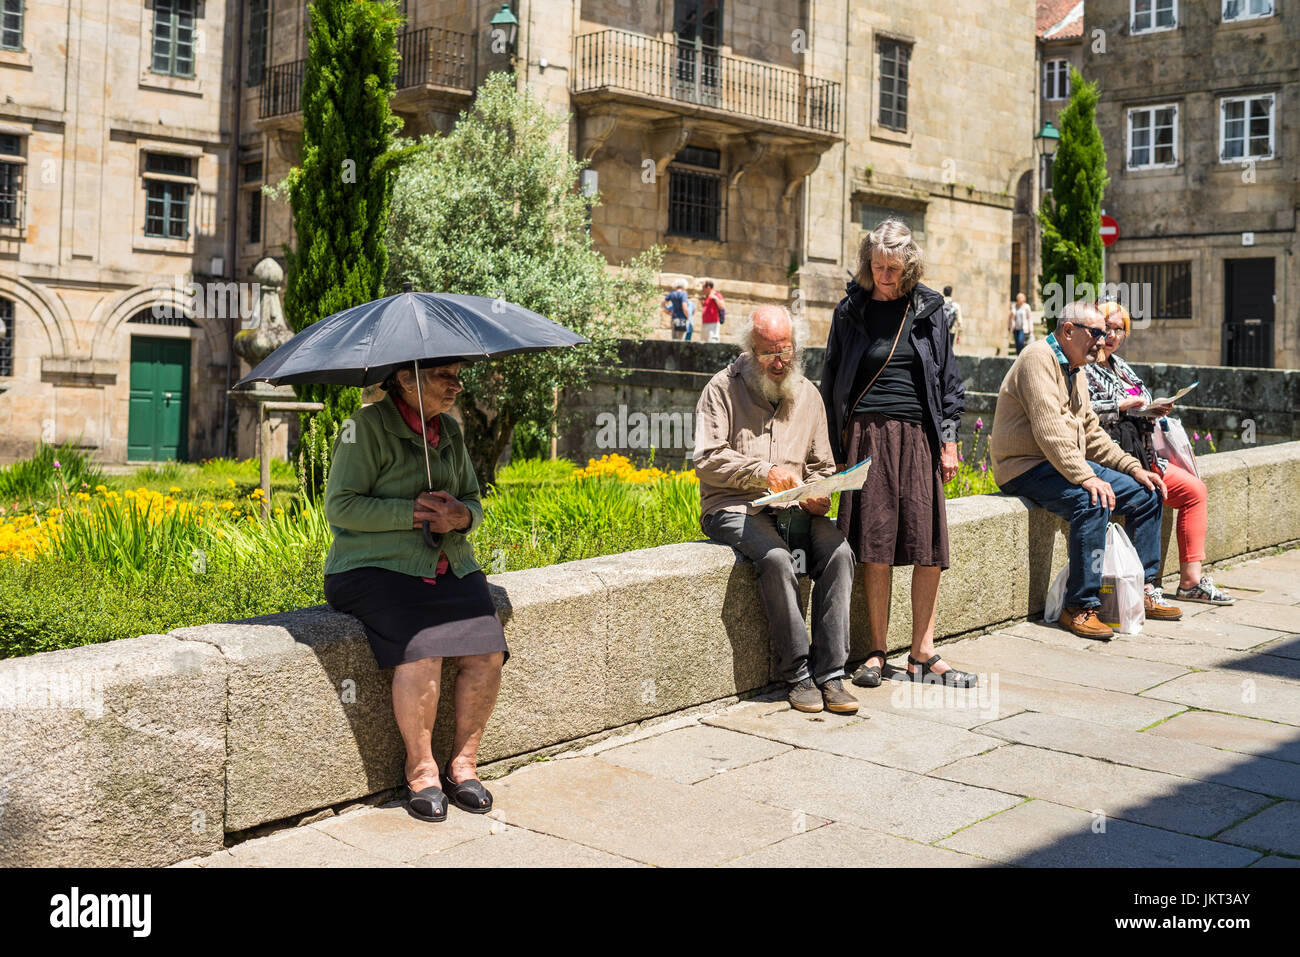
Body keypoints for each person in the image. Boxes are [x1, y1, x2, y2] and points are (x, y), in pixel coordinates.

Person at [322, 361, 507, 823]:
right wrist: (413, 513)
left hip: (447, 566)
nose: (456, 384)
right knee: (421, 651)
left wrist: (460, 517)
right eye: (443, 374)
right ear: (405, 379)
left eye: (458, 374)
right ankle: (421, 771)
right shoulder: (362, 429)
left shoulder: (449, 430)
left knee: (487, 651)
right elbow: (340, 508)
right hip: (373, 568)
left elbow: (473, 500)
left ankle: (464, 765)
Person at [820, 219, 975, 689]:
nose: (884, 275)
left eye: (892, 268)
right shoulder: (850, 311)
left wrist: (948, 440)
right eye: (877, 266)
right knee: (875, 546)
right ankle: (875, 651)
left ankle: (922, 652)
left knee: (927, 548)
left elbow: (950, 383)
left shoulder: (931, 311)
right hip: (867, 436)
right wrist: (832, 450)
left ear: (909, 267)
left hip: (919, 436)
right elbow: (830, 383)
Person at [694, 305, 859, 715]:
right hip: (734, 506)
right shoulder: (721, 389)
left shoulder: (809, 394)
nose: (779, 362)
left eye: (786, 351)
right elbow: (708, 458)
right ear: (750, 350)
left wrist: (820, 496)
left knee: (840, 553)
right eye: (769, 353)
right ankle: (798, 673)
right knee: (776, 559)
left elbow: (821, 467)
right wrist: (763, 472)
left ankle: (832, 673)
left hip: (796, 507)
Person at [991, 300, 1183, 639]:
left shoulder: (1074, 367)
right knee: (1092, 500)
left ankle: (1142, 589)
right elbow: (1050, 433)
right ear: (1068, 331)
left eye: (1106, 332)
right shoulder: (1038, 359)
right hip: (1025, 467)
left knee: (1146, 493)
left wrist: (1134, 468)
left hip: (1061, 463)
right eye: (1096, 332)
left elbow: (1091, 433)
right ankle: (1079, 607)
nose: (1103, 339)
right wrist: (1088, 477)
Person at [1088, 302, 1235, 605]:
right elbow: (1081, 412)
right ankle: (1140, 587)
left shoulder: (1122, 367)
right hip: (1112, 458)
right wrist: (1120, 406)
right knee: (1149, 493)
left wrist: (1153, 408)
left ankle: (1190, 582)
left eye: (1120, 329)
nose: (1113, 335)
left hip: (1146, 454)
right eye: (1108, 327)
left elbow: (1140, 404)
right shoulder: (1084, 365)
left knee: (1195, 491)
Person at [701, 279, 726, 343]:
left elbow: (722, 306)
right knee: (704, 342)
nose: (702, 289)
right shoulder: (706, 296)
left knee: (712, 342)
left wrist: (716, 299)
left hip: (713, 324)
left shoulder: (717, 295)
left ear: (708, 287)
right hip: (705, 323)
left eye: (703, 287)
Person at [942, 285, 963, 351]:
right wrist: (959, 335)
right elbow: (960, 321)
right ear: (951, 293)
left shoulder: (939, 304)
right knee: (948, 351)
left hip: (940, 331)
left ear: (943, 293)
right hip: (951, 331)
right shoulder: (956, 306)